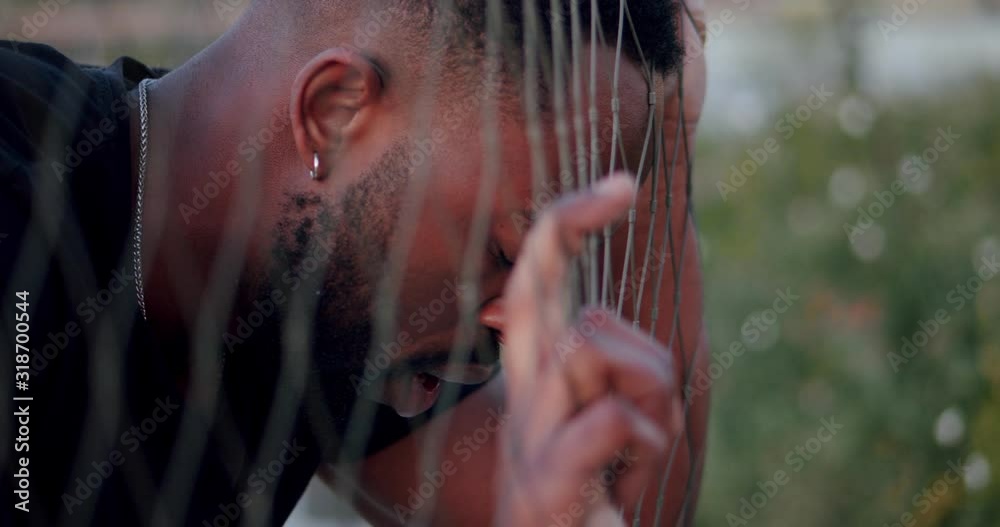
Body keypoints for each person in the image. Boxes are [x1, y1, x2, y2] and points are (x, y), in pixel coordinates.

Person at [0, 1, 708, 525]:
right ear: (332, 115)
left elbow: (614, 510)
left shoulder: (319, 303)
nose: (519, 318)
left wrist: (667, 141)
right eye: (505, 252)